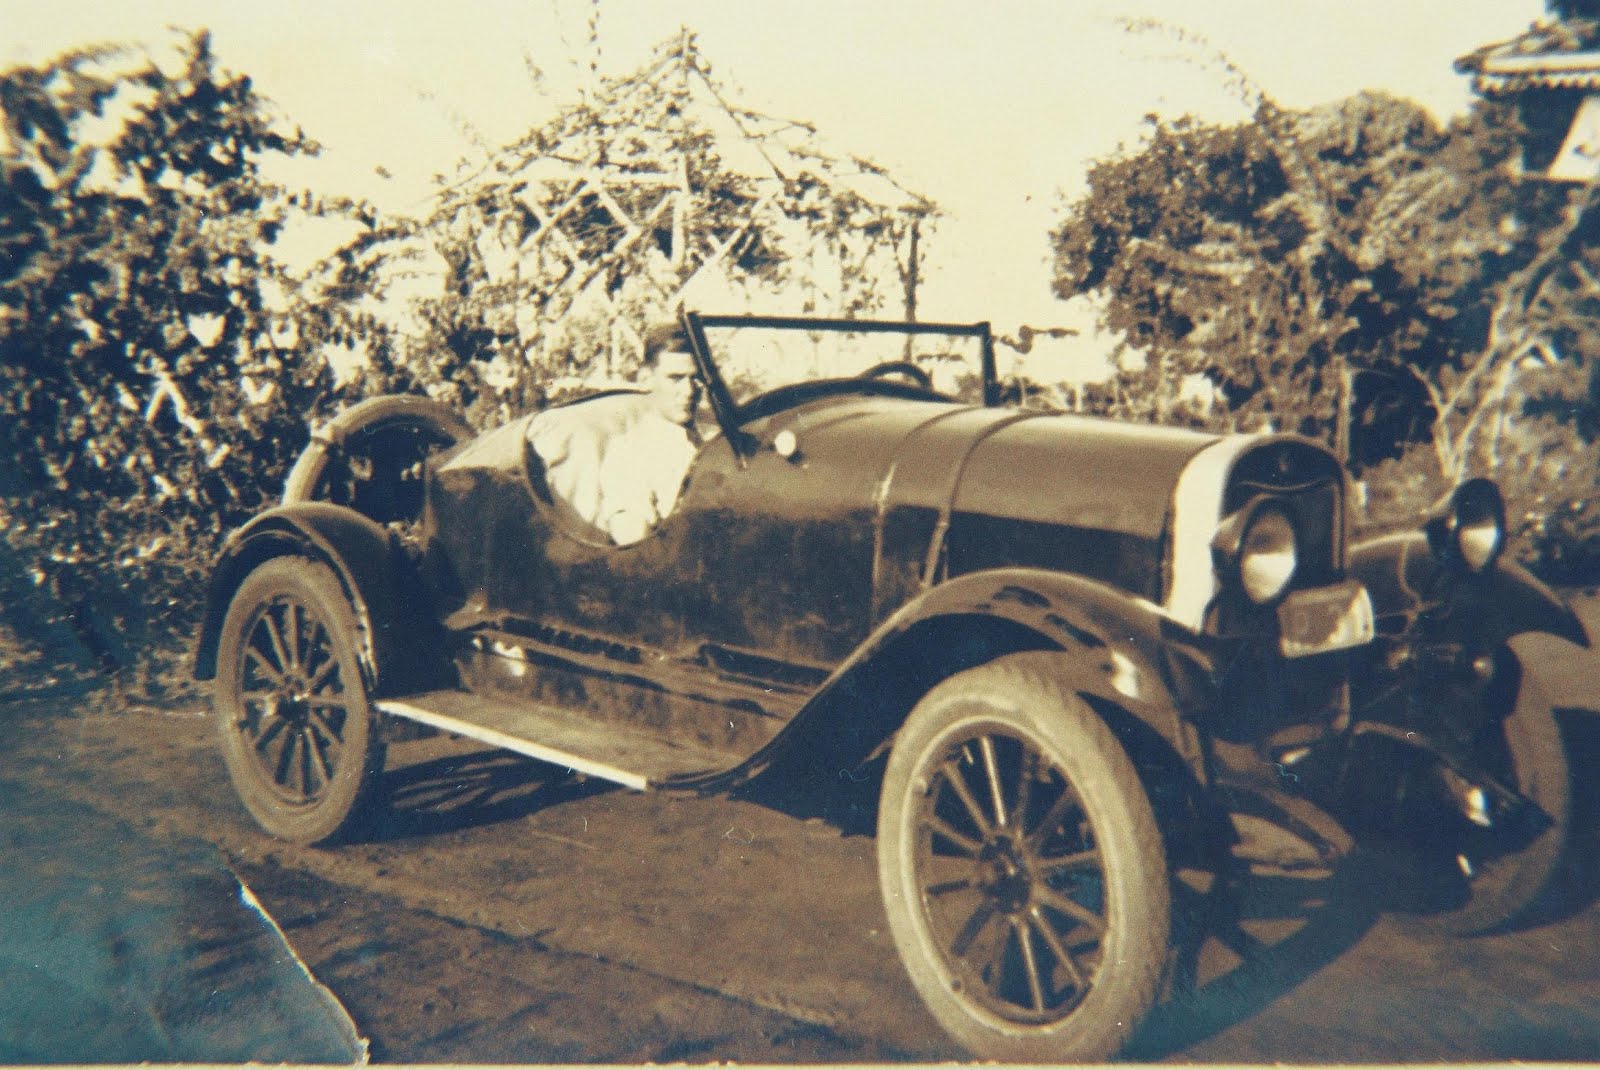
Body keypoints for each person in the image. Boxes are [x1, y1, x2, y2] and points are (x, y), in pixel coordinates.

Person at [527, 322, 702, 545]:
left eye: (696, 378)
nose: (689, 391)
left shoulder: (707, 439)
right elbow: (635, 547)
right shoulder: (631, 452)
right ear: (646, 379)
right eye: (675, 378)